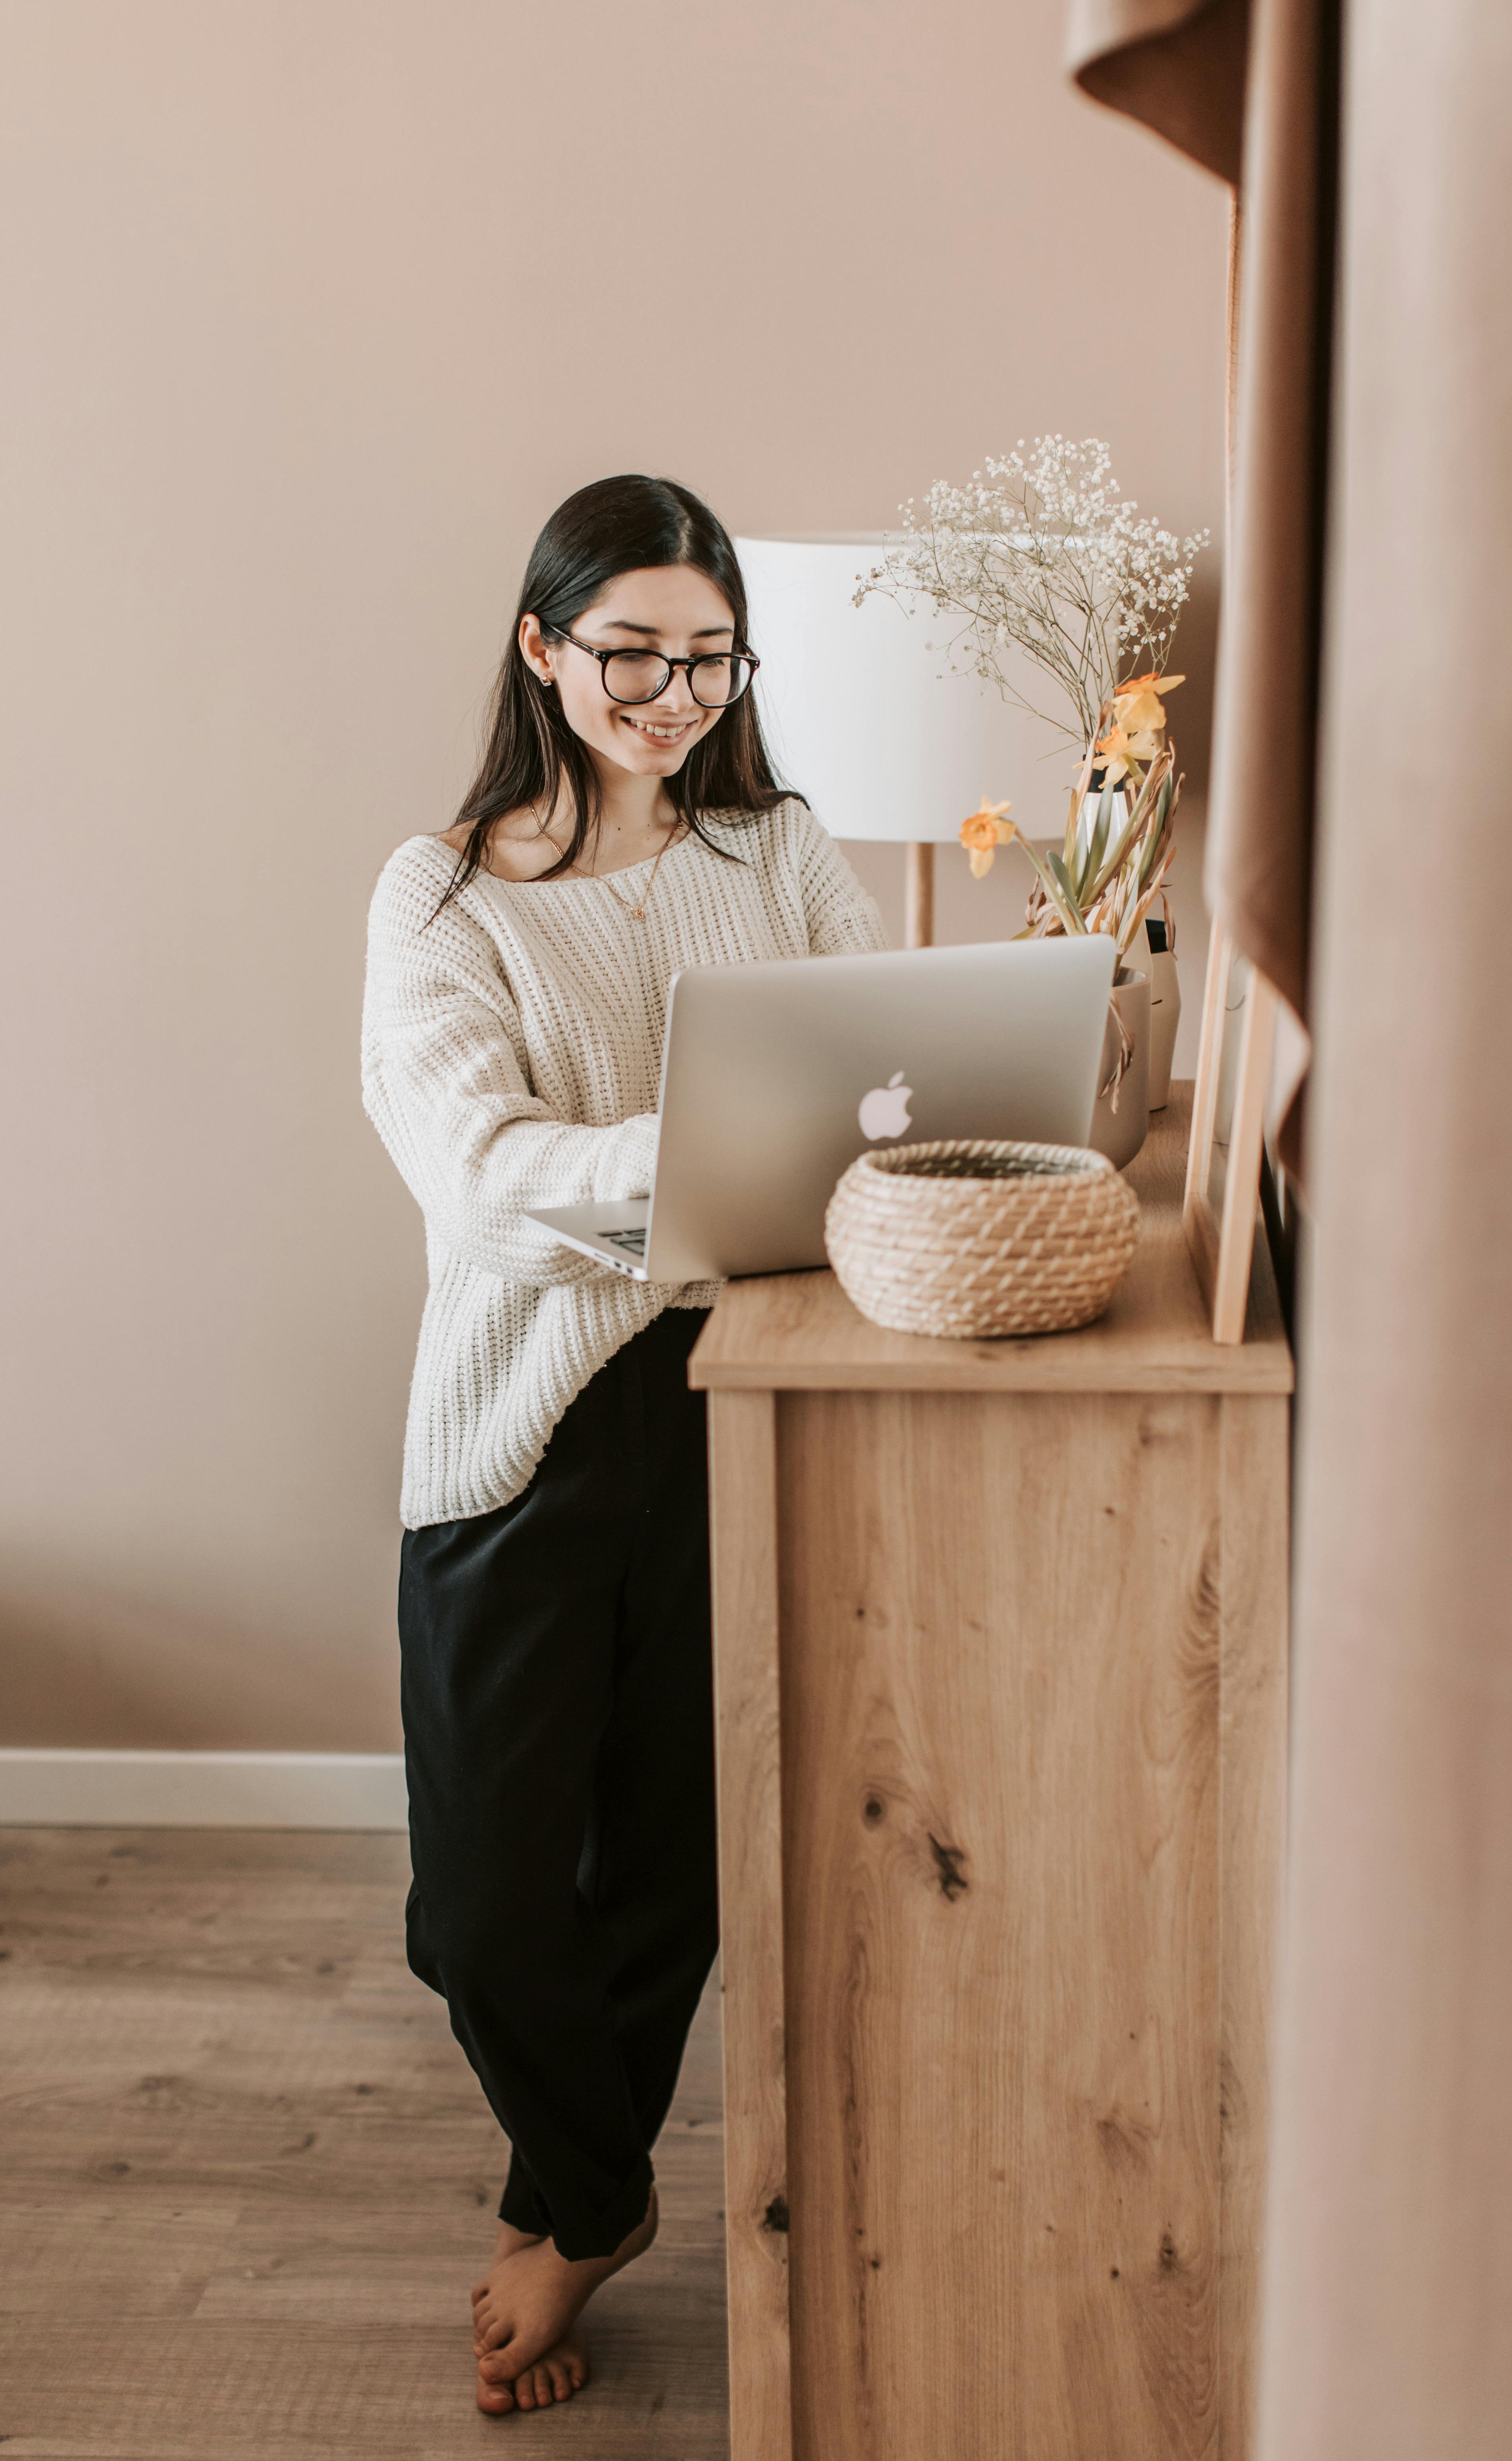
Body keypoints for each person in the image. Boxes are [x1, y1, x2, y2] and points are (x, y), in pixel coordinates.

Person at [361, 473, 884, 2416]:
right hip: (524, 1424)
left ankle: (564, 2210)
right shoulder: (446, 895)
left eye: (709, 654)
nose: (674, 691)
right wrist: (713, 1160)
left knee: (670, 1868)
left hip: (735, 1391)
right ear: (542, 648)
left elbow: (873, 1086)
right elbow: (481, 1178)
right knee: (484, 1908)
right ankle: (600, 2192)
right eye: (632, 651)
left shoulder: (780, 851)